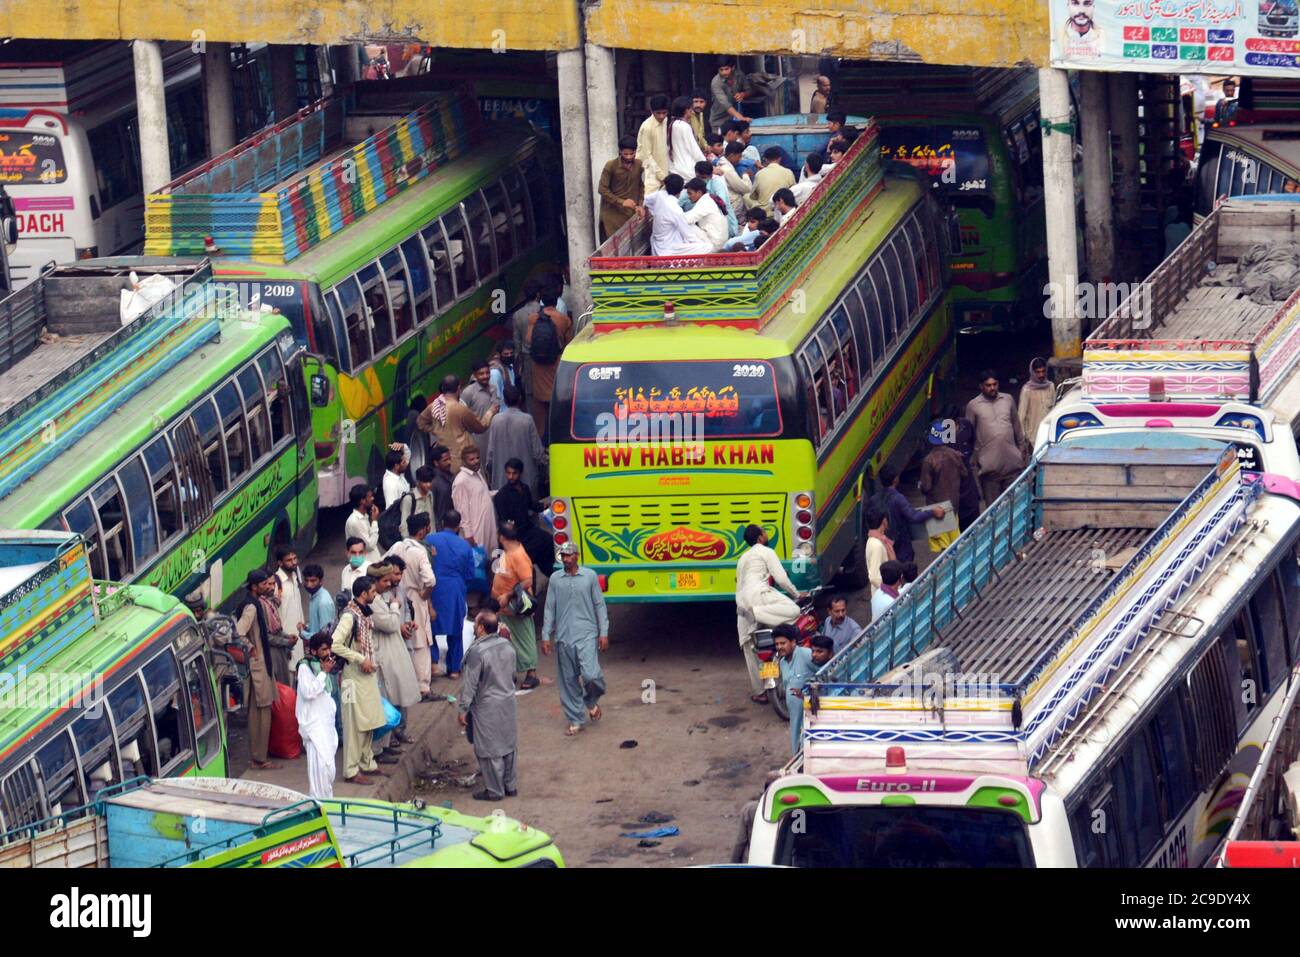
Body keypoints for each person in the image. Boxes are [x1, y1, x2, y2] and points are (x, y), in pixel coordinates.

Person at [541, 542, 609, 736]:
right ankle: (575, 719)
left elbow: (599, 605)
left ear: (577, 556)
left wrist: (603, 632)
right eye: (563, 556)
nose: (567, 559)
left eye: (570, 555)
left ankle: (590, 700)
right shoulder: (555, 579)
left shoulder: (589, 576)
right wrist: (546, 635)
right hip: (563, 637)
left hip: (587, 635)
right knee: (568, 681)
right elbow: (549, 608)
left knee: (592, 675)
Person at [458, 610, 520, 801]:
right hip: (508, 701)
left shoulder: (477, 652)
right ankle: (510, 786)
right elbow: (513, 675)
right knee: (508, 743)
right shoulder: (507, 645)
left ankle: (495, 790)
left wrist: (463, 708)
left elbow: (470, 684)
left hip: (486, 705)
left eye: (476, 624)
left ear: (482, 628)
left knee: (489, 749)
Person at [735, 524, 800, 704]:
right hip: (759, 599)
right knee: (794, 611)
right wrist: (796, 594)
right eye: (764, 532)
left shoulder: (742, 559)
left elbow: (739, 586)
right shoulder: (765, 551)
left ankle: (760, 692)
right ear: (760, 538)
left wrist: (744, 608)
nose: (766, 534)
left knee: (752, 647)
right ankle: (757, 613)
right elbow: (781, 579)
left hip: (742, 605)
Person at [331, 576, 387, 786]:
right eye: (373, 591)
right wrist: (360, 658)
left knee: (369, 721)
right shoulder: (349, 617)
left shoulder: (362, 613)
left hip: (366, 677)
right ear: (364, 594)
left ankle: (367, 763)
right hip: (350, 678)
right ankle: (351, 770)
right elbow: (334, 644)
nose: (375, 594)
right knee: (353, 725)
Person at [366, 562, 421, 761]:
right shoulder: (373, 602)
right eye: (385, 580)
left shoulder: (381, 598)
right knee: (384, 702)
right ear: (375, 582)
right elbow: (389, 624)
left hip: (390, 653)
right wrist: (395, 608)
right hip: (381, 657)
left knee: (390, 700)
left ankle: (386, 745)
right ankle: (378, 750)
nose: (390, 583)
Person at [386, 511, 438, 694]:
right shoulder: (419, 552)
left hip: (396, 597)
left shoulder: (396, 547)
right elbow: (431, 581)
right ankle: (422, 687)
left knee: (402, 639)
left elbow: (382, 564)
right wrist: (425, 595)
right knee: (421, 642)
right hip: (415, 598)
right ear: (423, 530)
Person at [235, 569, 281, 770]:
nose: (267, 586)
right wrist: (250, 647)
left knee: (262, 711)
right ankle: (259, 759)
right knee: (260, 713)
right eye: (263, 584)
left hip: (262, 663)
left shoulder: (255, 602)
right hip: (258, 665)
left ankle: (260, 756)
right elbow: (239, 632)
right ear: (255, 587)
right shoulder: (251, 607)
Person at [965, 369, 1026, 509]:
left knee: (1015, 508)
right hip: (989, 469)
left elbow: (1016, 426)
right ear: (981, 386)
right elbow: (969, 435)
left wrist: (1022, 449)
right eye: (988, 385)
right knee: (994, 512)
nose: (992, 388)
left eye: (995, 384)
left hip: (1012, 466)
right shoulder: (973, 406)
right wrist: (973, 462)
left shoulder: (1008, 399)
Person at [427, 508, 475, 679]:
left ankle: (432, 664)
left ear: (441, 523)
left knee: (430, 628)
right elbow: (470, 574)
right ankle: (454, 669)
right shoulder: (465, 546)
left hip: (432, 588)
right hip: (455, 589)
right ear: (458, 526)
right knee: (456, 629)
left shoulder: (430, 539)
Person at [493, 521, 539, 690]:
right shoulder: (507, 552)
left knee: (524, 639)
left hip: (516, 606)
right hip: (504, 607)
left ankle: (532, 674)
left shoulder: (517, 555)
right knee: (508, 641)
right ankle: (510, 673)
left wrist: (508, 595)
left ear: (502, 537)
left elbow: (528, 581)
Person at [418, 374, 495, 474]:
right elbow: (480, 427)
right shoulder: (460, 409)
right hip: (461, 459)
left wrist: (437, 431)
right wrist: (490, 412)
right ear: (458, 389)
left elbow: (421, 422)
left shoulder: (433, 406)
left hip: (444, 459)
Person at [494, 458, 556, 576]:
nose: (511, 477)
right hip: (516, 535)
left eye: (514, 473)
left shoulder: (525, 488)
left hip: (528, 529)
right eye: (508, 473)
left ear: (520, 473)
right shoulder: (502, 495)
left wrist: (545, 506)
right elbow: (502, 521)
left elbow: (531, 505)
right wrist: (509, 527)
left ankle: (552, 574)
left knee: (548, 541)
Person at [295, 633, 339, 799]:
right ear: (313, 651)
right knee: (319, 772)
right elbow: (309, 692)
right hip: (314, 728)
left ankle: (328, 805)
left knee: (329, 770)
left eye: (329, 648)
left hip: (326, 726)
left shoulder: (322, 666)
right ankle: (321, 809)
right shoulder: (305, 668)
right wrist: (323, 673)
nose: (328, 653)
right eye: (324, 649)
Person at [526, 290, 572, 435]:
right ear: (557, 300)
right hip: (556, 366)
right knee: (557, 402)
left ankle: (543, 444)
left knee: (540, 410)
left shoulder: (533, 318)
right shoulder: (563, 319)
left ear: (541, 300)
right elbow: (569, 344)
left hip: (539, 367)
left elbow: (528, 341)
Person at [485, 384, 548, 492]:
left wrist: (490, 472)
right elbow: (537, 452)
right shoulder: (527, 420)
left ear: (504, 400)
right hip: (526, 479)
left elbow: (490, 453)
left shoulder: (496, 420)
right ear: (520, 399)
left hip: (502, 480)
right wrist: (545, 469)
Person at [878, 465, 943, 566]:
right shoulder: (898, 498)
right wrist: (932, 512)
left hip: (883, 544)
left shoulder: (874, 500)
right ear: (895, 479)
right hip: (901, 546)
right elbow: (913, 516)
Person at [919, 420, 969, 553]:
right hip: (953, 506)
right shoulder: (955, 455)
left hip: (936, 509)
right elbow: (965, 473)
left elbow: (926, 487)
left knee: (943, 550)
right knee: (957, 547)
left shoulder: (928, 460)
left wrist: (920, 486)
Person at [645, 174, 714, 256]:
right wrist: (700, 245)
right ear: (681, 190)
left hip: (657, 244)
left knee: (681, 233)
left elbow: (646, 201)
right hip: (668, 250)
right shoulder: (676, 210)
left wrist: (656, 212)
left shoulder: (659, 195)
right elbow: (689, 235)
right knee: (708, 247)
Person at [774, 623, 816, 754]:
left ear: (793, 642)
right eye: (777, 644)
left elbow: (824, 672)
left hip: (810, 714)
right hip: (794, 715)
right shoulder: (782, 662)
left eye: (783, 643)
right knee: (796, 743)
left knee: (809, 745)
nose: (779, 647)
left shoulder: (806, 655)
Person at [452, 441, 498, 553]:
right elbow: (461, 511)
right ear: (464, 461)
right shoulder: (461, 481)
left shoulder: (477, 473)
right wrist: (469, 536)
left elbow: (484, 495)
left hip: (487, 526)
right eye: (471, 459)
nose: (476, 461)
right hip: (476, 532)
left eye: (477, 458)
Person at [598, 135, 645, 241]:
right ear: (620, 151)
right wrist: (621, 202)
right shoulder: (610, 166)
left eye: (631, 154)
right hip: (612, 217)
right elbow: (602, 189)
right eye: (625, 154)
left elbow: (641, 186)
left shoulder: (639, 165)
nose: (628, 157)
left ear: (635, 152)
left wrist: (640, 205)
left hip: (630, 215)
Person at [274, 546, 307, 676]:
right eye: (289, 560)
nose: (293, 562)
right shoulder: (276, 583)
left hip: (299, 637)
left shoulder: (295, 575)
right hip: (286, 641)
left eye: (295, 558)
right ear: (280, 563)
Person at [511, 278, 542, 411]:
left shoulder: (517, 315)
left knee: (529, 393)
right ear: (538, 294)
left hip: (528, 358)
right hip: (546, 358)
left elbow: (517, 342)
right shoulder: (544, 310)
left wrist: (519, 364)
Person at [693, 159, 739, 237]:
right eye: (698, 177)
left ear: (711, 175)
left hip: (723, 221)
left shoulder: (717, 183)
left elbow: (721, 202)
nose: (701, 180)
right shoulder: (695, 184)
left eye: (703, 177)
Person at [636, 94, 671, 193]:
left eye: (664, 113)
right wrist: (661, 175)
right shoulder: (647, 127)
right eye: (658, 113)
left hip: (663, 170)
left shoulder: (665, 120)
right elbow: (645, 156)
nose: (661, 116)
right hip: (648, 172)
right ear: (652, 112)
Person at [666, 96, 707, 181]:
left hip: (676, 168)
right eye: (691, 109)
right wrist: (706, 166)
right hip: (688, 169)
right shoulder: (685, 127)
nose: (692, 111)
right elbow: (694, 150)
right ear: (686, 110)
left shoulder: (672, 124)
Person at [1018, 358, 1055, 451]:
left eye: (1043, 371)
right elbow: (1021, 417)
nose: (1041, 375)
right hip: (1032, 438)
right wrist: (1024, 439)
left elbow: (1054, 410)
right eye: (1038, 372)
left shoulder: (1050, 386)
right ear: (1032, 372)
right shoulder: (1027, 390)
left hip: (1049, 435)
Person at [683, 176, 729, 251]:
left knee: (684, 224)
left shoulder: (705, 202)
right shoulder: (708, 198)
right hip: (719, 242)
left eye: (690, 193)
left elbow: (687, 219)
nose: (689, 197)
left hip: (714, 245)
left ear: (699, 192)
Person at [710, 60, 750, 135]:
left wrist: (743, 94)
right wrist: (741, 118)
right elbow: (726, 104)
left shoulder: (739, 75)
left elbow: (749, 90)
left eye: (726, 69)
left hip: (735, 118)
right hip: (719, 119)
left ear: (733, 68)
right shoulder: (716, 82)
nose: (724, 72)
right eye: (721, 70)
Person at [750, 148, 796, 214]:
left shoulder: (759, 174)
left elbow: (753, 196)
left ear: (765, 159)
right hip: (782, 211)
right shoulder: (788, 172)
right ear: (779, 158)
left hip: (763, 213)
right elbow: (793, 193)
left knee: (746, 197)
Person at [345, 484, 383, 564]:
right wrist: (374, 522)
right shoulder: (355, 521)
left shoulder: (364, 517)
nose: (373, 498)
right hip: (366, 568)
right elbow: (369, 545)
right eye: (369, 497)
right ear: (362, 501)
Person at [400, 465, 439, 539]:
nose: (429, 485)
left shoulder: (430, 494)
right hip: (416, 542)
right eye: (425, 482)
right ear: (418, 482)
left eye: (430, 481)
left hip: (430, 539)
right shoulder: (409, 499)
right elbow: (404, 526)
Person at [863, 504, 895, 594]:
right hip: (884, 596)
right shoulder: (877, 545)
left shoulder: (876, 540)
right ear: (884, 521)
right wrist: (891, 591)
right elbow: (874, 577)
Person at [717, 141, 753, 219]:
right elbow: (746, 188)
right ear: (732, 155)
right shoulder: (727, 169)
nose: (740, 159)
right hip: (732, 207)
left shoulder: (721, 164)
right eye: (739, 156)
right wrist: (745, 175)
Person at [303, 563, 336, 636]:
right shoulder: (314, 596)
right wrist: (307, 627)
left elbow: (324, 635)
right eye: (306, 580)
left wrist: (303, 634)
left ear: (321, 581)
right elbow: (318, 624)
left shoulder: (323, 603)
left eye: (313, 581)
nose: (309, 585)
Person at [428, 444, 455, 530]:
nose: (449, 462)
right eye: (445, 460)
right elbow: (431, 508)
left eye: (449, 459)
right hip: (441, 527)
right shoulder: (433, 481)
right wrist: (438, 528)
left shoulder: (452, 476)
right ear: (436, 463)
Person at [381, 443, 411, 511]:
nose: (406, 463)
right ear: (396, 466)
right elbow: (392, 509)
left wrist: (403, 446)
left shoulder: (397, 473)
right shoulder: (391, 484)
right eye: (404, 462)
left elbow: (408, 455)